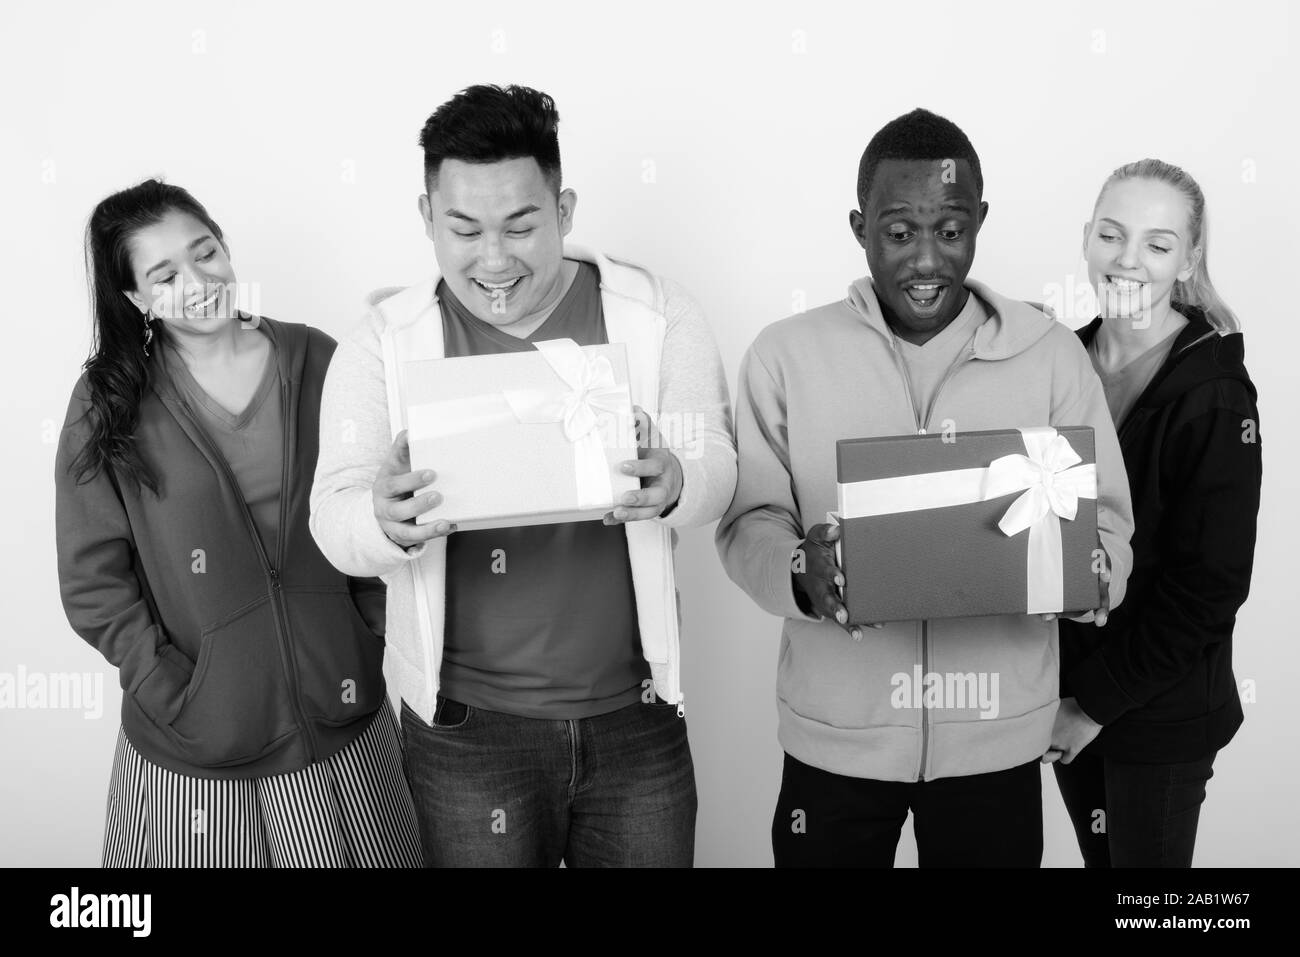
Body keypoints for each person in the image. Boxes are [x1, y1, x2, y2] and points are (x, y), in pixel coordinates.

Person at [310, 84, 736, 867]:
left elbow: (716, 465)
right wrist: (382, 518)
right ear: (426, 218)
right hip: (467, 729)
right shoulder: (381, 345)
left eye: (522, 225)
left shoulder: (654, 313)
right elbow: (333, 515)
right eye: (464, 229)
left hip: (636, 715)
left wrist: (675, 478)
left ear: (565, 209)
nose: (495, 259)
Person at [715, 108, 1135, 867]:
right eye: (899, 232)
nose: (926, 261)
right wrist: (798, 571)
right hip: (835, 739)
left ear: (979, 221)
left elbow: (1107, 527)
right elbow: (751, 520)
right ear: (858, 226)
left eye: (950, 229)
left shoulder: (1050, 357)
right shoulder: (785, 356)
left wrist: (1087, 576)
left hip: (997, 739)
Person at [55, 179, 421, 867]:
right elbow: (91, 579)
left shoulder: (317, 359)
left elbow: (365, 503)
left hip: (343, 722)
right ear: (135, 297)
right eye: (164, 274)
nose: (198, 281)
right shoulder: (107, 401)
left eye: (206, 253)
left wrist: (369, 630)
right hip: (198, 750)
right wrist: (174, 688)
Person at [1048, 159, 1261, 867]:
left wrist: (1093, 707)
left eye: (1158, 244)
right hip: (1067, 693)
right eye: (1111, 234)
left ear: (1189, 258)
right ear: (1086, 238)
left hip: (1157, 712)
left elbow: (1210, 589)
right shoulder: (1060, 366)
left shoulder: (1217, 393)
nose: (1128, 260)